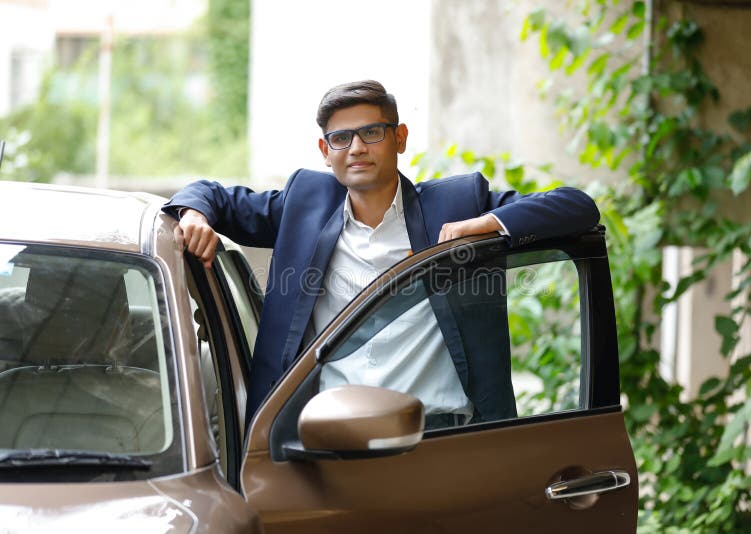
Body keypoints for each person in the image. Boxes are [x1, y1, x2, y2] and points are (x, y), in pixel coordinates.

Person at [163, 80, 600, 426]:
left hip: (442, 436)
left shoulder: (457, 203)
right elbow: (209, 193)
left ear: (399, 138)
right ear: (325, 150)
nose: (356, 148)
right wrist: (194, 215)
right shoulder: (305, 205)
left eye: (371, 132)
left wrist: (485, 225)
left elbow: (577, 206)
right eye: (341, 138)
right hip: (325, 438)